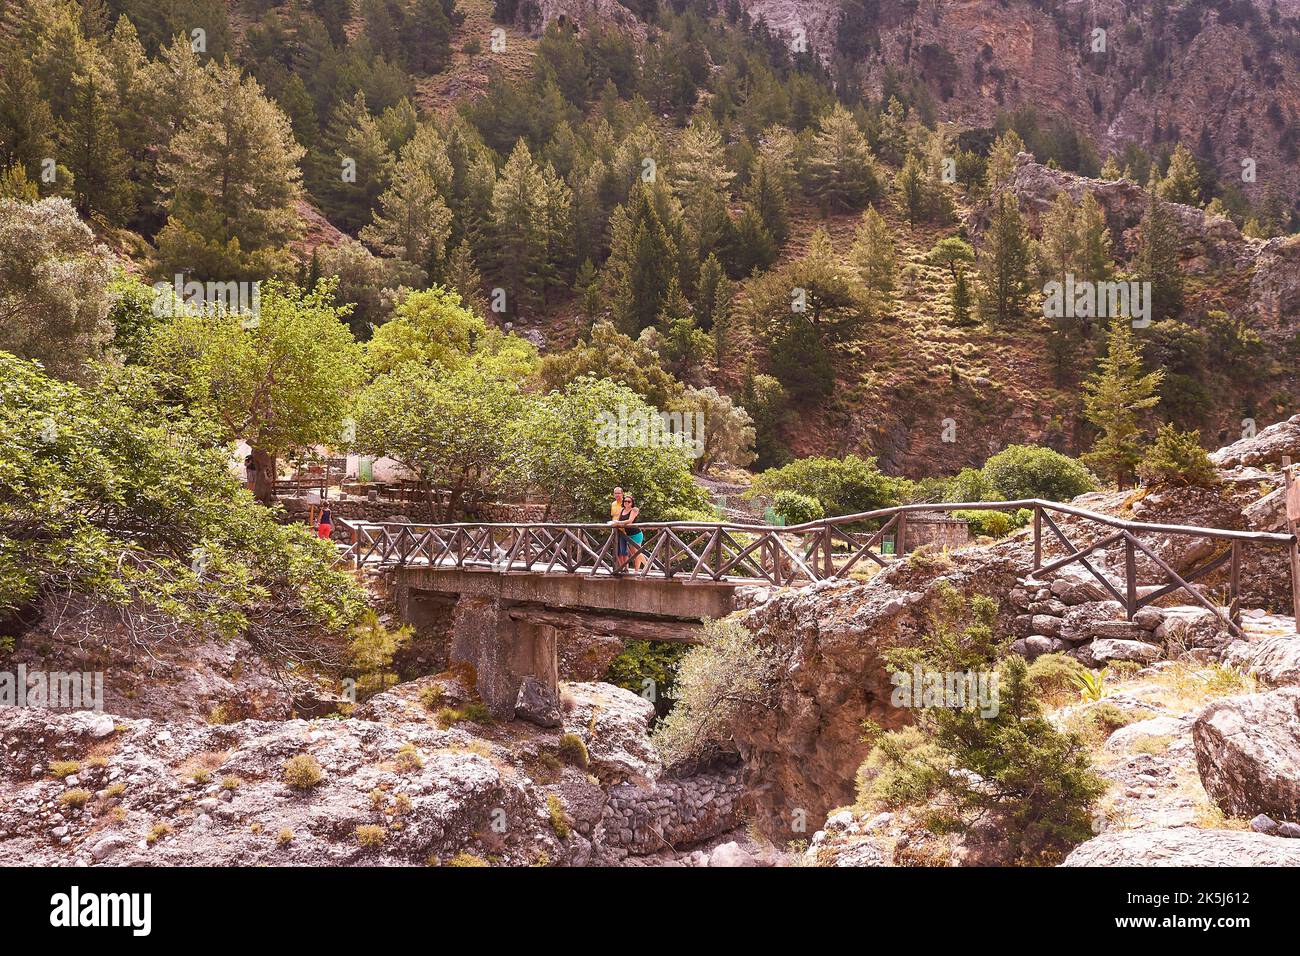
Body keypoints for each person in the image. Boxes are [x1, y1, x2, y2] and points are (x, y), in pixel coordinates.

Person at [615, 494, 644, 572]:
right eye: (625, 501)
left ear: (632, 503)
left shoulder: (634, 509)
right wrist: (615, 523)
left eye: (629, 501)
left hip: (636, 534)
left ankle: (636, 570)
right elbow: (617, 519)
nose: (626, 502)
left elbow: (630, 520)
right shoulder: (622, 510)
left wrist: (618, 522)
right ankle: (648, 564)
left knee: (636, 553)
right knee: (634, 553)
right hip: (628, 535)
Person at [610, 487, 628, 571]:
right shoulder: (613, 504)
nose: (617, 495)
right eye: (615, 493)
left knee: (624, 550)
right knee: (616, 550)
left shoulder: (625, 503)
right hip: (615, 529)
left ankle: (626, 567)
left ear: (622, 494)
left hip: (624, 529)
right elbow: (613, 516)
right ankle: (621, 567)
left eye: (618, 493)